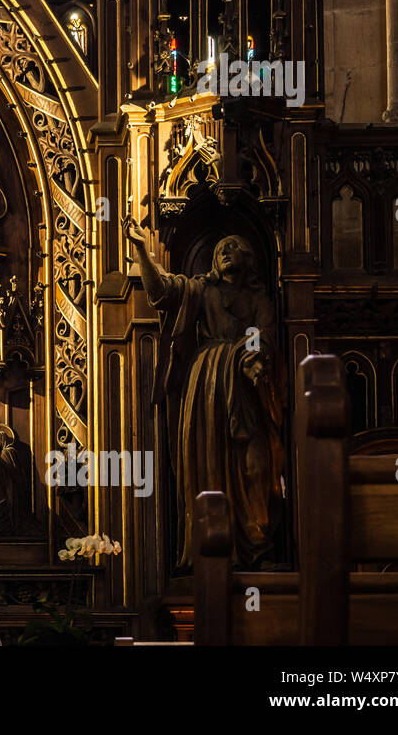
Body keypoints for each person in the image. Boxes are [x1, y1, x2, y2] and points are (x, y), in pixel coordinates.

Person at [124, 216, 285, 568]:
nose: (226, 251)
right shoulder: (201, 289)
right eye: (220, 249)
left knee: (256, 464)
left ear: (250, 258)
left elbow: (265, 337)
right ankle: (210, 539)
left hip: (244, 385)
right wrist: (141, 251)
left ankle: (255, 536)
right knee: (206, 459)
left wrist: (249, 355)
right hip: (207, 383)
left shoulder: (260, 301)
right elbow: (160, 292)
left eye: (234, 247)